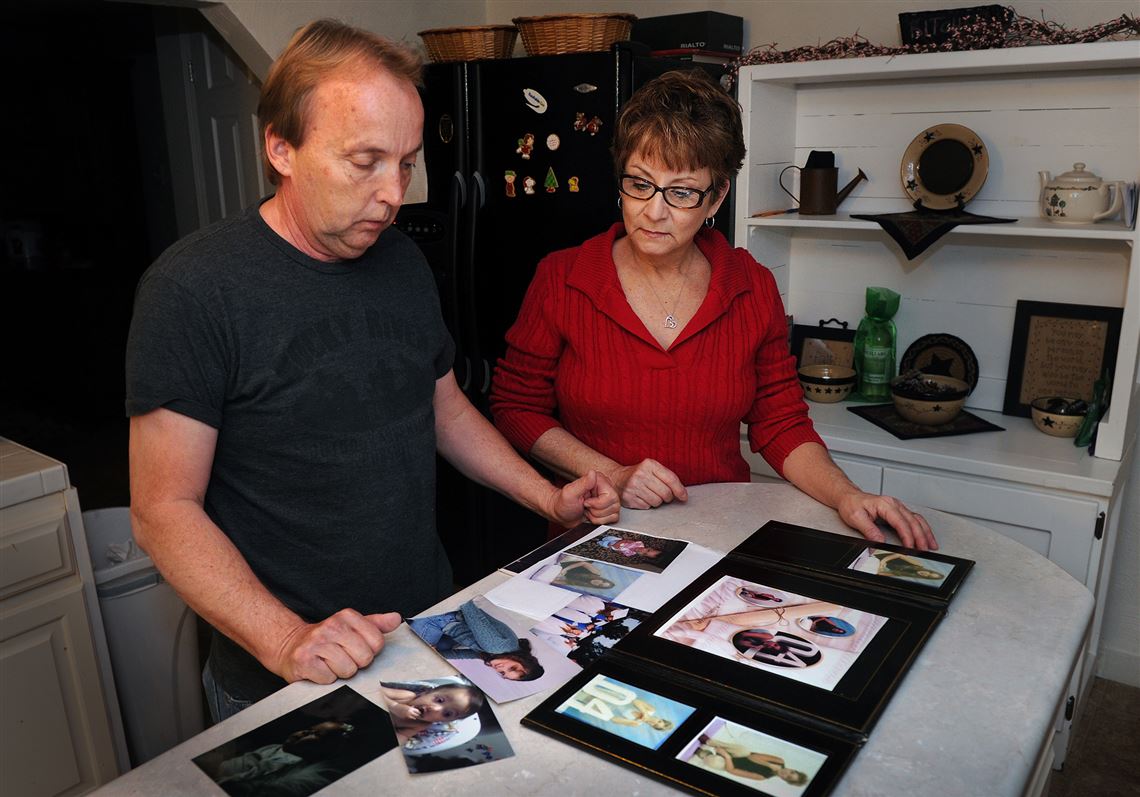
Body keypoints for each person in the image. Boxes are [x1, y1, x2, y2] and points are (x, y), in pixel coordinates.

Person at [125, 19, 619, 721]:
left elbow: (444, 409)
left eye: (407, 162)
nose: (393, 194)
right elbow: (162, 509)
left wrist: (546, 499)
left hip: (429, 636)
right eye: (365, 162)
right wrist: (288, 640)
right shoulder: (193, 290)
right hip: (289, 677)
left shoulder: (401, 262)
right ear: (281, 148)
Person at [490, 69, 936, 551]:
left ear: (717, 196)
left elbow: (780, 421)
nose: (653, 211)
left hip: (720, 542)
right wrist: (610, 473)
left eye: (681, 193)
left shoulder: (750, 287)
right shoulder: (563, 279)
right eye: (640, 184)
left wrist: (847, 496)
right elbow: (515, 408)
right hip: (594, 543)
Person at [406, 600, 546, 681]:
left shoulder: (499, 654)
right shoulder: (496, 648)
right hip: (442, 620)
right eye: (512, 668)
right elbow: (470, 610)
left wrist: (436, 652)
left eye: (503, 673)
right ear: (522, 659)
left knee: (436, 653)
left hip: (451, 630)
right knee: (416, 656)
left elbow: (457, 655)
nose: (500, 669)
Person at [211, 720, 353, 796]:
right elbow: (231, 766)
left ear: (324, 749)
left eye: (316, 734)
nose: (304, 733)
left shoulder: (304, 768)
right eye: (309, 729)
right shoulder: (274, 748)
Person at [379, 683, 483, 745]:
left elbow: (402, 735)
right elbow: (375, 692)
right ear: (425, 692)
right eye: (439, 700)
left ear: (443, 721)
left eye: (447, 714)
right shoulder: (406, 696)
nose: (436, 709)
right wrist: (394, 706)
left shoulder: (421, 725)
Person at [694, 735, 809, 786]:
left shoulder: (762, 777)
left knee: (714, 762)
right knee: (744, 750)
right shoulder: (779, 761)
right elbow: (751, 757)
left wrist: (726, 756)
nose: (787, 773)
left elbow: (732, 771)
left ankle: (705, 753)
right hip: (738, 755)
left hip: (728, 763)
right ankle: (709, 742)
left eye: (788, 777)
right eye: (792, 772)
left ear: (784, 780)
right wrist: (769, 764)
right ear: (793, 769)